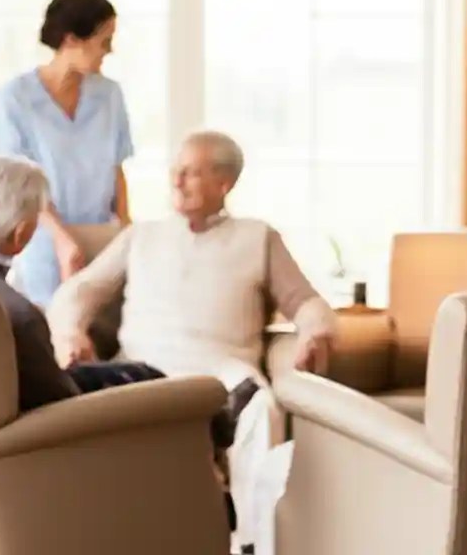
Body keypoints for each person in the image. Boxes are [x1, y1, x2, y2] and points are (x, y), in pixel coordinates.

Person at [0, 156, 255, 532]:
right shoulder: (18, 313)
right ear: (22, 233)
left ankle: (220, 421)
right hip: (54, 431)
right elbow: (64, 402)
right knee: (170, 391)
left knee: (144, 373)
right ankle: (218, 423)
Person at [47, 130, 337, 554]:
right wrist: (69, 329)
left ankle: (250, 543)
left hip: (222, 372)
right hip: (140, 370)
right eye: (175, 171)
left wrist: (316, 330)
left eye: (190, 173)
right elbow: (80, 291)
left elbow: (306, 301)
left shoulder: (258, 237)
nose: (176, 182)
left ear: (224, 183)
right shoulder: (142, 235)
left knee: (261, 410)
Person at [0, 0, 134, 307]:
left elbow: (116, 168)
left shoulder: (109, 95)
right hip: (43, 241)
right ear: (71, 40)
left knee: (101, 329)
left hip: (101, 240)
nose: (109, 50)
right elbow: (20, 183)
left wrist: (126, 231)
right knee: (52, 330)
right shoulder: (15, 99)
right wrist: (61, 238)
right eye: (103, 41)